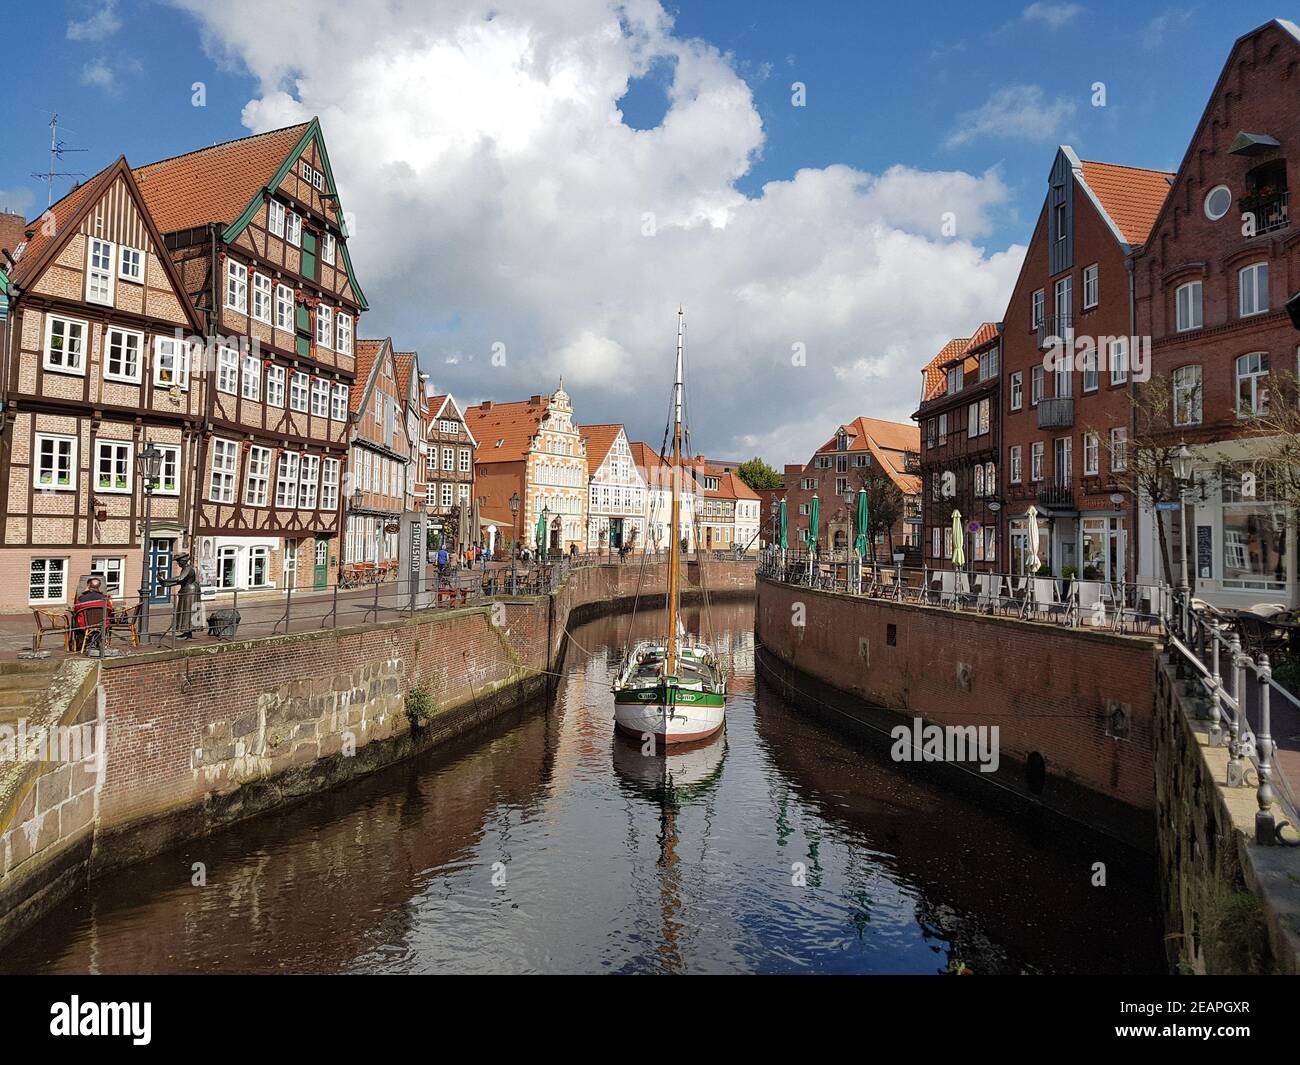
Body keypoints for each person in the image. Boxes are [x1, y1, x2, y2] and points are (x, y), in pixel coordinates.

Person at [156, 552, 201, 638]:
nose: (178, 563)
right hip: (186, 591)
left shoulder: (188, 568)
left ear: (183, 561)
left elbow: (180, 578)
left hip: (190, 592)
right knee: (185, 611)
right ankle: (187, 632)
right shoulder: (185, 568)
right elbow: (179, 581)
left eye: (178, 561)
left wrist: (166, 579)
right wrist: (163, 582)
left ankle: (187, 632)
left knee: (188, 611)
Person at [71, 577, 113, 651]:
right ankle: (98, 640)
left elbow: (75, 610)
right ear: (99, 587)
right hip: (101, 624)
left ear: (88, 586)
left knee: (75, 620)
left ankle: (81, 643)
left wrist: (84, 592)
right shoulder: (105, 599)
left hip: (85, 625)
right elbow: (110, 610)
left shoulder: (81, 599)